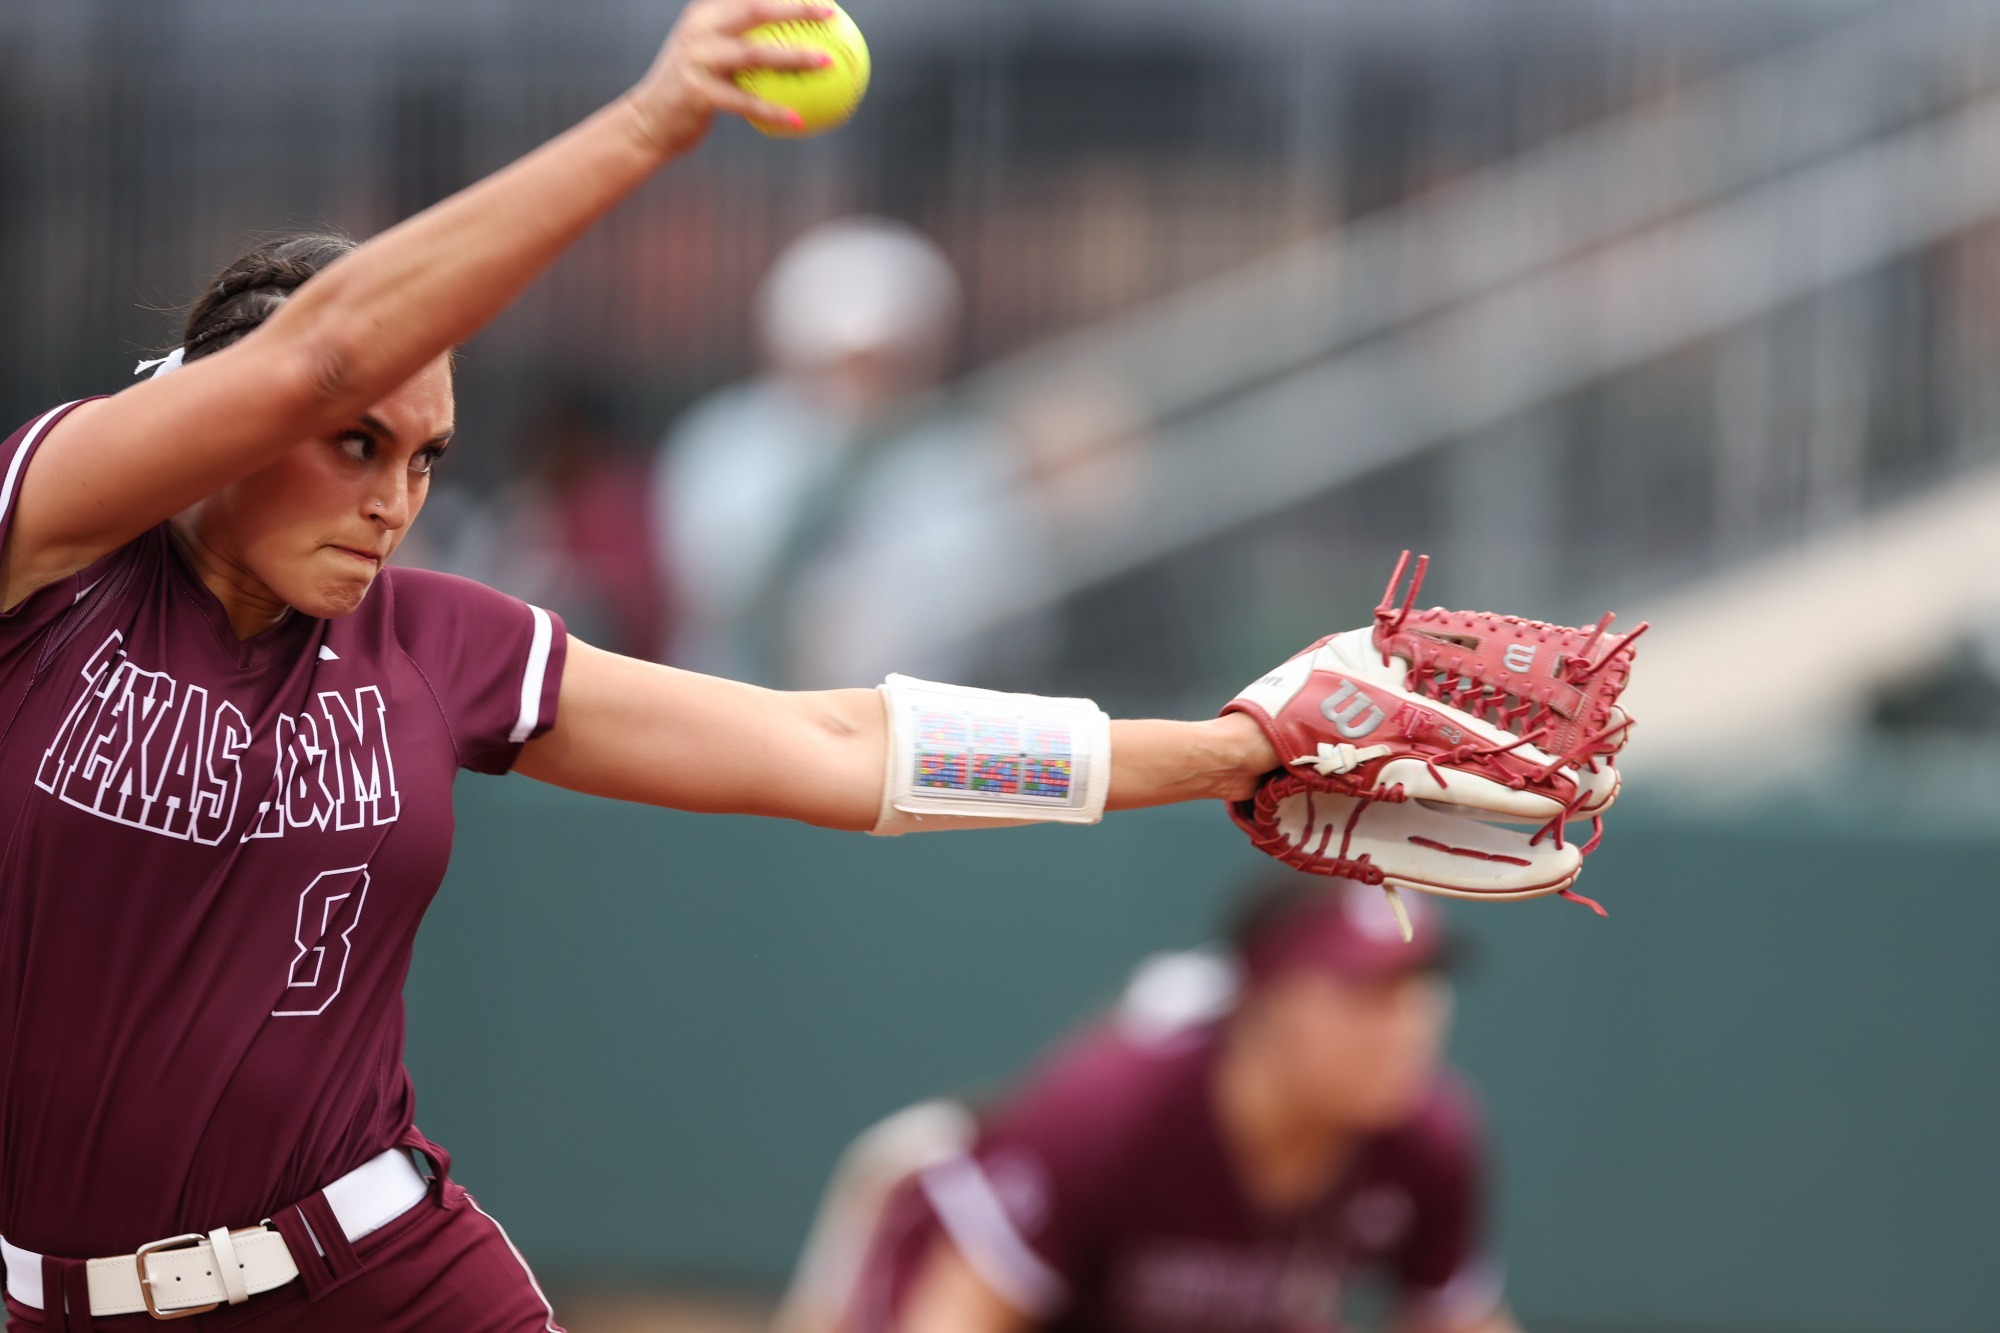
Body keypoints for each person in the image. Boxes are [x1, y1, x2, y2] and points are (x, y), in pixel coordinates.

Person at [0, 2, 1288, 1327]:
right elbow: (321, 352)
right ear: (218, 417)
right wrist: (654, 119)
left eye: (427, 457)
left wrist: (1217, 756)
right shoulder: (46, 557)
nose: (398, 496)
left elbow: (840, 749)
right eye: (355, 442)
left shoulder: (440, 644)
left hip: (378, 1276)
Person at [818, 875, 1522, 1333]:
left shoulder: (1430, 1135)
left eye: (1419, 989)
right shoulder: (1114, 1109)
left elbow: (1455, 1319)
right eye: (1366, 995)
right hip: (949, 1265)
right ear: (1262, 1007)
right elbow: (962, 1310)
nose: (1406, 1027)